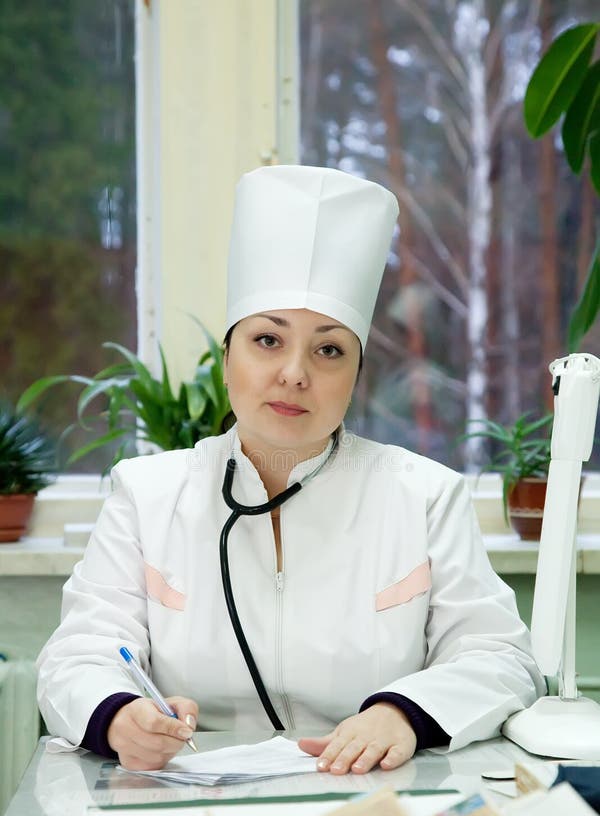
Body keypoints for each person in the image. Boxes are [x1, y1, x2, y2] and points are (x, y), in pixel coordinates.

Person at [37, 165, 545, 775]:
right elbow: (78, 655)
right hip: (191, 800)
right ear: (226, 359)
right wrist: (119, 715)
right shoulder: (147, 494)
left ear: (356, 376)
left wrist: (404, 711)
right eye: (267, 341)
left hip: (370, 799)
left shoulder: (424, 495)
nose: (294, 374)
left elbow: (501, 656)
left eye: (328, 349)